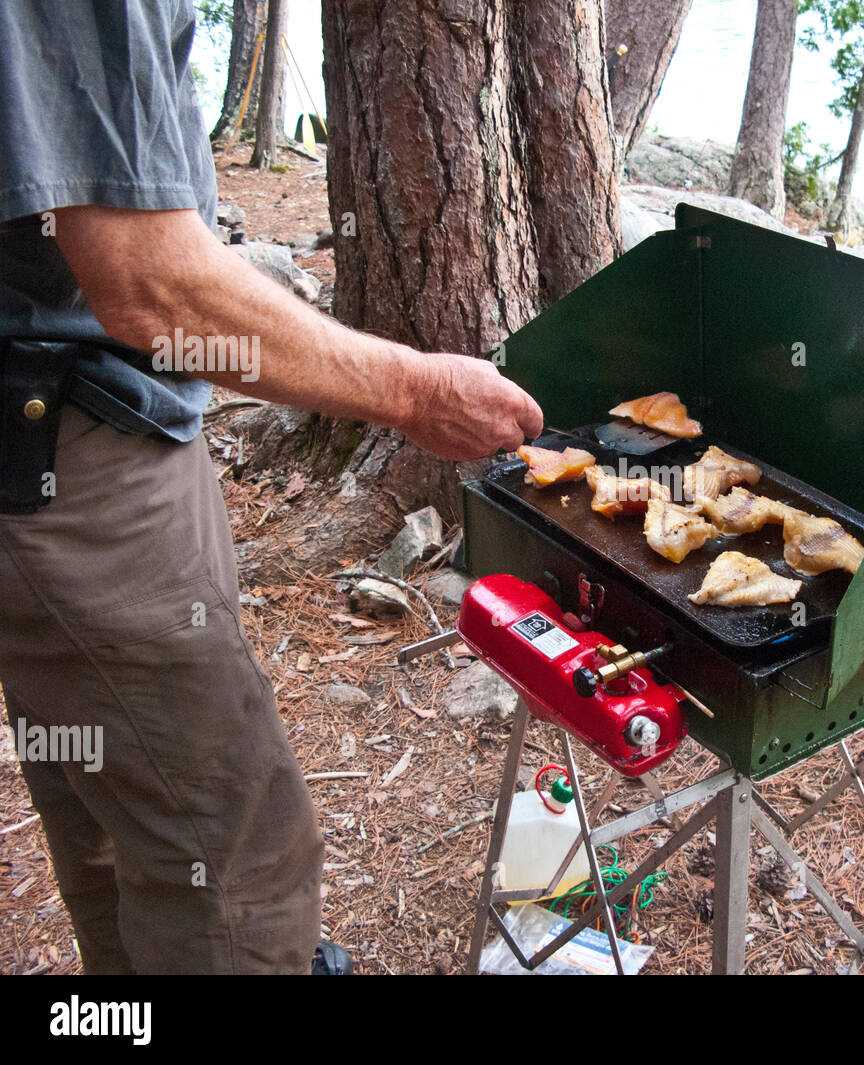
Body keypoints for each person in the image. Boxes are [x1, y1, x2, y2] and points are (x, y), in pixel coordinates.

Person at [0, 1, 543, 974]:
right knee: (232, 853)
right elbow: (152, 286)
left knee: (109, 797)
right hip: (68, 458)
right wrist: (413, 391)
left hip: (70, 440)